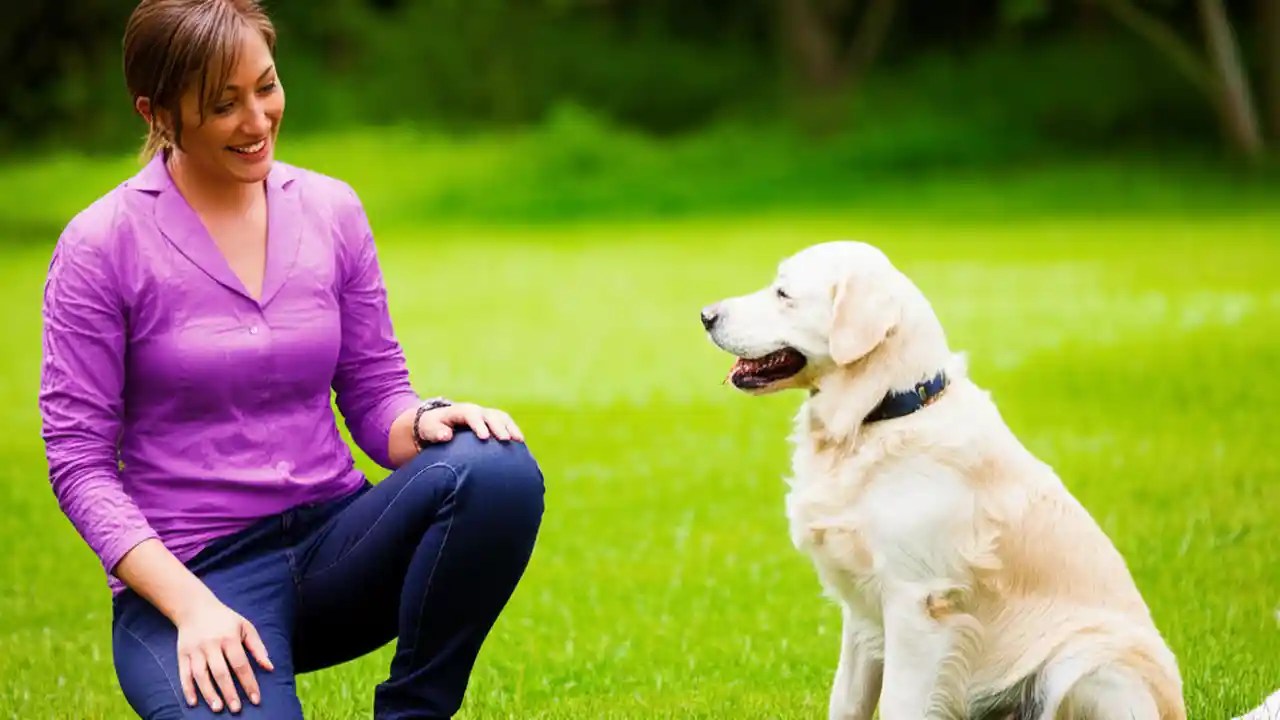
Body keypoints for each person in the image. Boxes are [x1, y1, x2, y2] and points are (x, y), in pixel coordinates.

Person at [37, 1, 546, 717]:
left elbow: (375, 397)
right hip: (196, 580)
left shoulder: (331, 210)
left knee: (496, 469)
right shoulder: (100, 246)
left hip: (335, 547)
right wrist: (192, 609)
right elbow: (78, 462)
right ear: (155, 112)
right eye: (223, 105)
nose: (257, 120)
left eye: (266, 87)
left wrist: (429, 419)